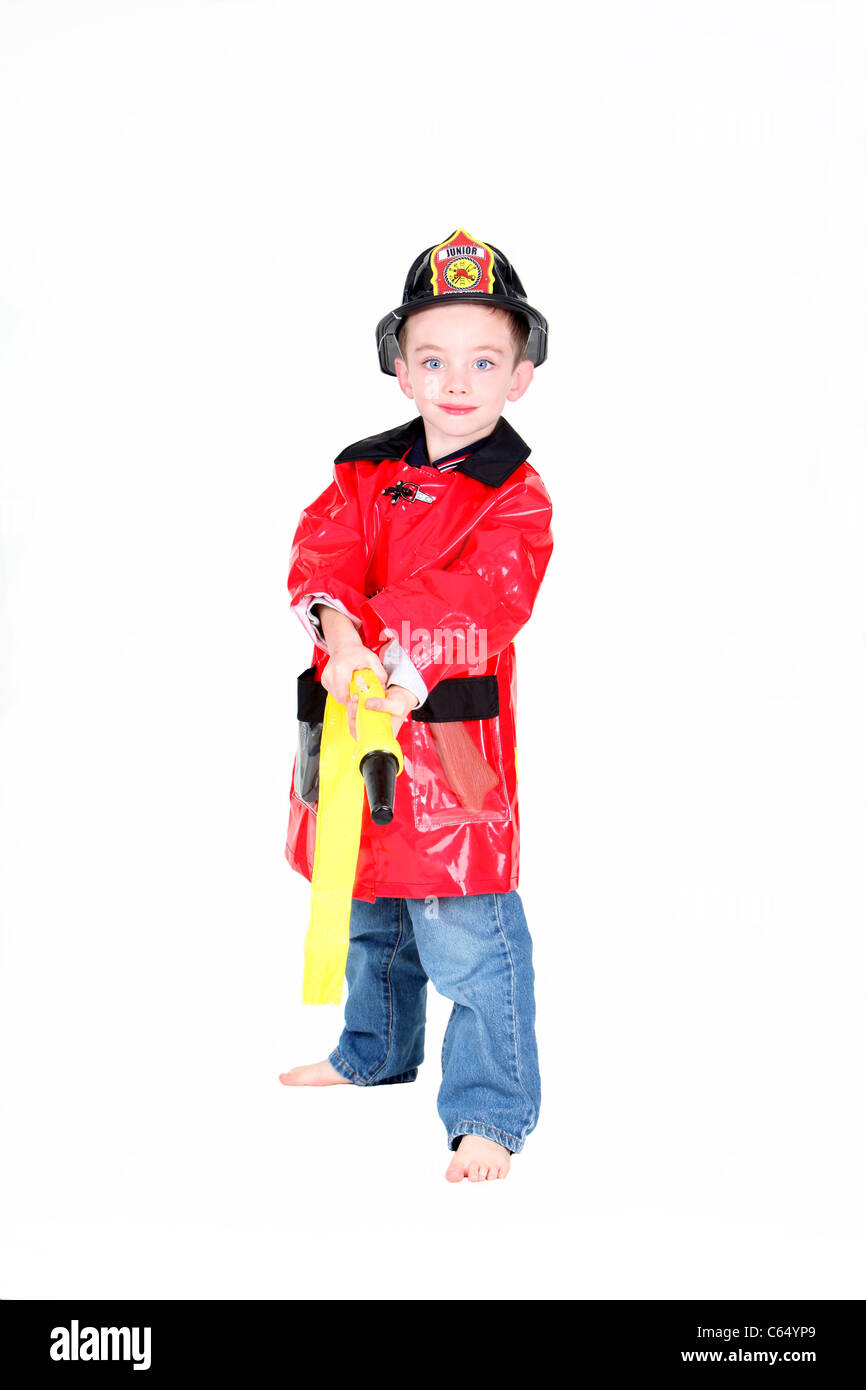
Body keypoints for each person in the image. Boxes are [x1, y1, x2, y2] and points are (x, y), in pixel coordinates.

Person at [279, 227, 555, 1183]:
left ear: (521, 373)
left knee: (467, 930)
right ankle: (374, 1052)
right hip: (357, 724)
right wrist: (339, 632)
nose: (457, 379)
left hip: (449, 748)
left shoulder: (515, 498)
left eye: (485, 359)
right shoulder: (362, 472)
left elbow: (485, 595)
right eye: (433, 358)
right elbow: (323, 555)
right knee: (369, 907)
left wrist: (389, 643)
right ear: (400, 367)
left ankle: (491, 1109)